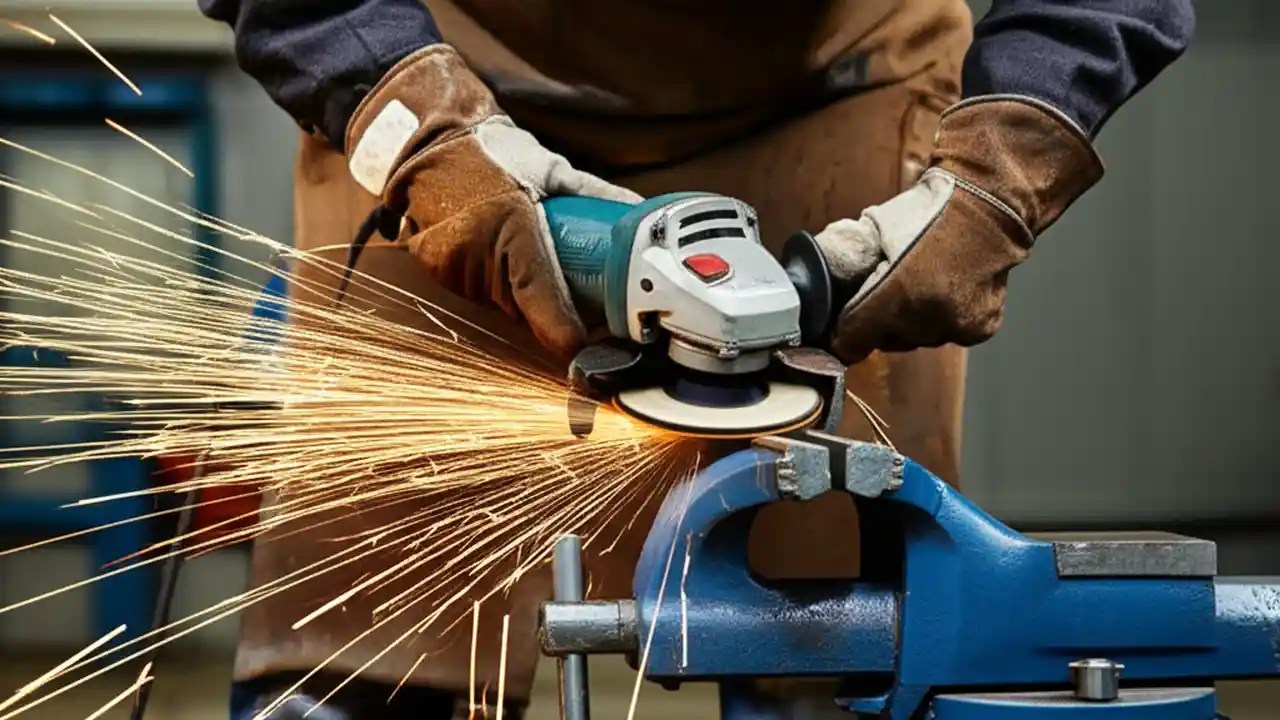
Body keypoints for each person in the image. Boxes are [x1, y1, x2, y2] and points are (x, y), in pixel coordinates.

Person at [200, 1, 1195, 718]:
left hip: (833, 86)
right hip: (443, 76)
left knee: (843, 633)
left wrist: (1001, 173)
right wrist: (414, 130)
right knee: (362, 645)